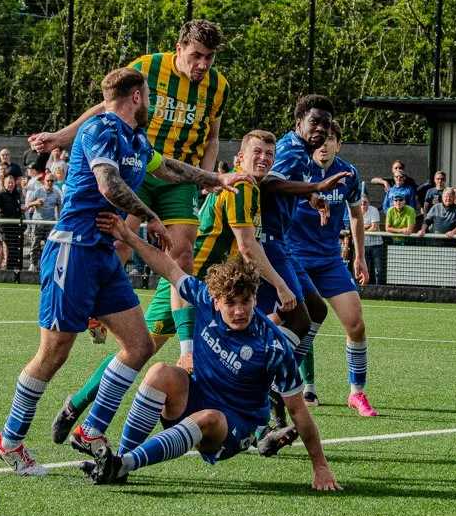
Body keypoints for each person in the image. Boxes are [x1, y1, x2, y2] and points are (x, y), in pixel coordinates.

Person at [0, 66, 237, 474]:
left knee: (139, 346)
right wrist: (150, 216)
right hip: (74, 250)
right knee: (54, 352)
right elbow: (108, 184)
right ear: (137, 97)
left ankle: (91, 430)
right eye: (150, 98)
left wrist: (215, 178)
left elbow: (168, 168)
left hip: (104, 252)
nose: (153, 106)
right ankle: (9, 440)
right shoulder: (99, 129)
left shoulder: (137, 139)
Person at [50, 130, 301, 447]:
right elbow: (247, 247)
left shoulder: (244, 188)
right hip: (193, 290)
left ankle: (80, 410)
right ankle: (251, 429)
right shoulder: (241, 187)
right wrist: (280, 285)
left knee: (145, 352)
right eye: (257, 151)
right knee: (144, 353)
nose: (263, 158)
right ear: (240, 157)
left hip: (204, 289)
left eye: (269, 153)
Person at [83, 216, 340, 491]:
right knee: (160, 372)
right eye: (230, 303)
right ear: (216, 301)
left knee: (209, 418)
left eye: (246, 302)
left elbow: (298, 410)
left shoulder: (273, 346)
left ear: (255, 297)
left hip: (236, 426)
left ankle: (124, 463)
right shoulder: (203, 298)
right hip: (198, 397)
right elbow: (168, 268)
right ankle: (119, 461)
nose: (240, 311)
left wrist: (320, 466)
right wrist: (129, 236)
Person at [29, 19, 232, 350]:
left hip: (178, 174)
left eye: (209, 58)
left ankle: (186, 349)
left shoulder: (218, 86)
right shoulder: (148, 67)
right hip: (133, 168)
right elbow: (107, 106)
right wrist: (62, 137)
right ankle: (99, 306)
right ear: (179, 48)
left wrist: (205, 179)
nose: (202, 65)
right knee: (120, 242)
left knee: (182, 250)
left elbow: (212, 137)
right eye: (197, 55)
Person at [259, 96, 355, 410]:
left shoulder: (299, 151)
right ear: (299, 121)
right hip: (269, 243)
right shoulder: (292, 148)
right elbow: (271, 184)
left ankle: (278, 384)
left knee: (316, 311)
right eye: (314, 122)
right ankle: (270, 386)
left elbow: (288, 183)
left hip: (280, 243)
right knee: (299, 318)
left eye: (325, 125)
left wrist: (314, 198)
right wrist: (317, 188)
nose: (320, 129)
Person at [292, 123, 373, 411]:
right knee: (301, 322)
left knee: (356, 323)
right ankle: (297, 387)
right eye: (320, 139)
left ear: (339, 144)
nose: (324, 145)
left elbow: (355, 216)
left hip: (330, 260)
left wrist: (359, 256)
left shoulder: (349, 174)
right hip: (295, 257)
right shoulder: (296, 167)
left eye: (331, 139)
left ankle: (356, 392)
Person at [0, 173, 26, 271]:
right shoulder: (0, 193)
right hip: (2, 222)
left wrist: (21, 210)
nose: (10, 185)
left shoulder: (16, 194)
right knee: (3, 242)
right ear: (4, 183)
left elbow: (16, 207)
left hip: (13, 223)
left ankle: (8, 263)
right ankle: (3, 263)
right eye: (8, 183)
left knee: (10, 243)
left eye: (12, 183)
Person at [360, 191, 388, 286]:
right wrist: (368, 226)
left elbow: (375, 228)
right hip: (363, 245)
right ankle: (365, 288)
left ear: (369, 202)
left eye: (365, 202)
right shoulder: (356, 211)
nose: (363, 203)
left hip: (376, 245)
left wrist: (361, 228)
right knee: (365, 269)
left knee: (378, 269)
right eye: (361, 202)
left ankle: (379, 288)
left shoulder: (374, 210)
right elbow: (353, 227)